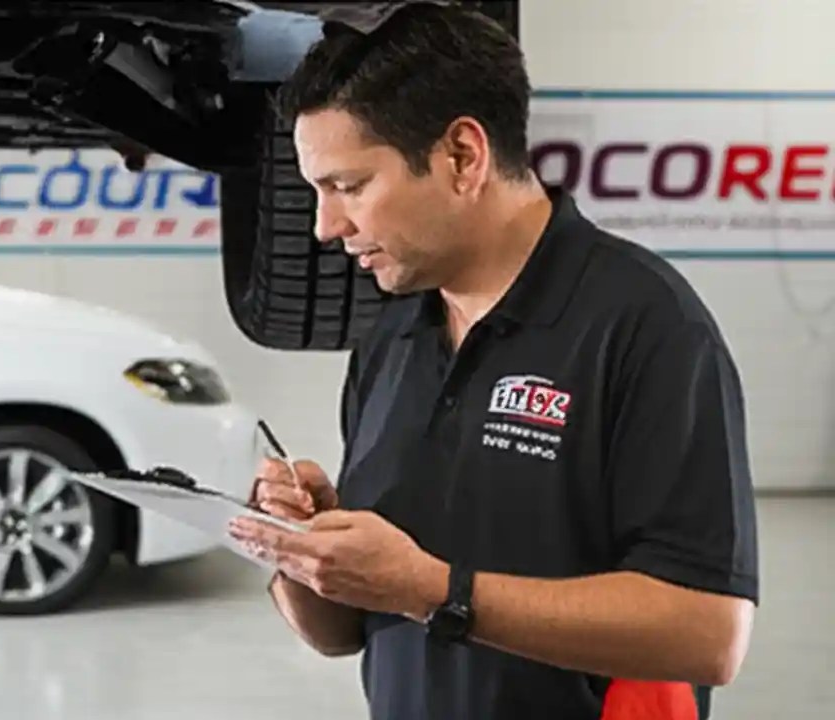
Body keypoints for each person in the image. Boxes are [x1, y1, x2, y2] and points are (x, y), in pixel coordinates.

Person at [226, 3, 760, 720]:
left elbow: (708, 634)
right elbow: (343, 635)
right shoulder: (393, 337)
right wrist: (304, 555)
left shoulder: (644, 325)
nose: (326, 226)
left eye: (348, 187)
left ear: (463, 157)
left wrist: (432, 588)